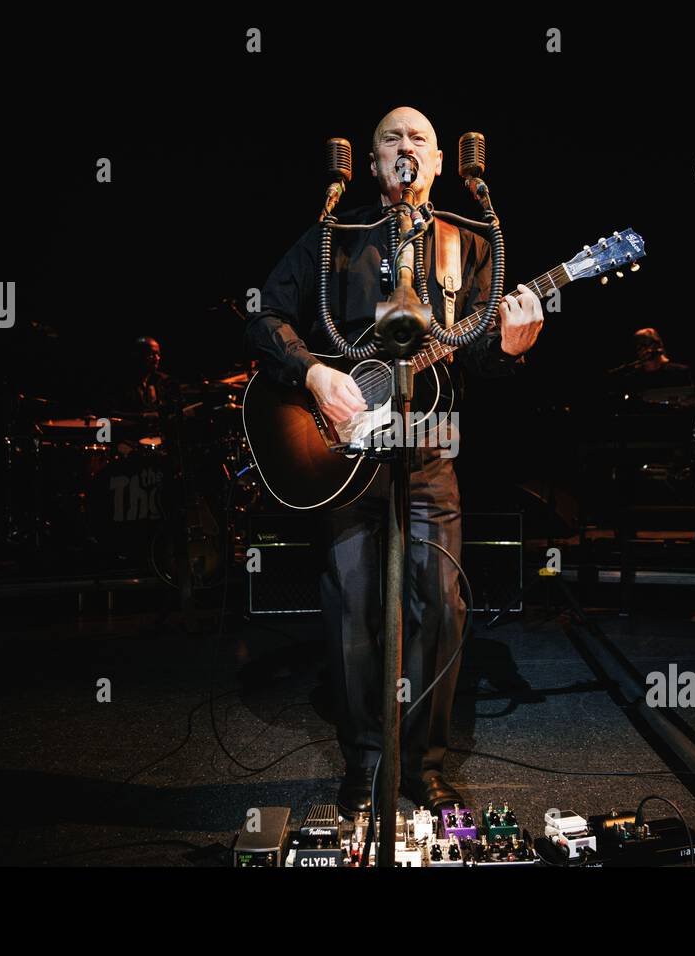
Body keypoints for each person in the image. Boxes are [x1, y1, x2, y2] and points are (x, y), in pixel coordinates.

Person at [244, 107, 544, 817]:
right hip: (345, 450)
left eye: (419, 139)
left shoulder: (469, 245)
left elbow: (475, 350)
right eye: (390, 138)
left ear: (441, 163)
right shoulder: (332, 235)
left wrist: (511, 347)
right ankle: (367, 762)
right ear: (373, 163)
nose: (405, 147)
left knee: (442, 603)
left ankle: (424, 764)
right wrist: (315, 375)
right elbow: (260, 314)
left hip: (432, 447)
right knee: (351, 605)